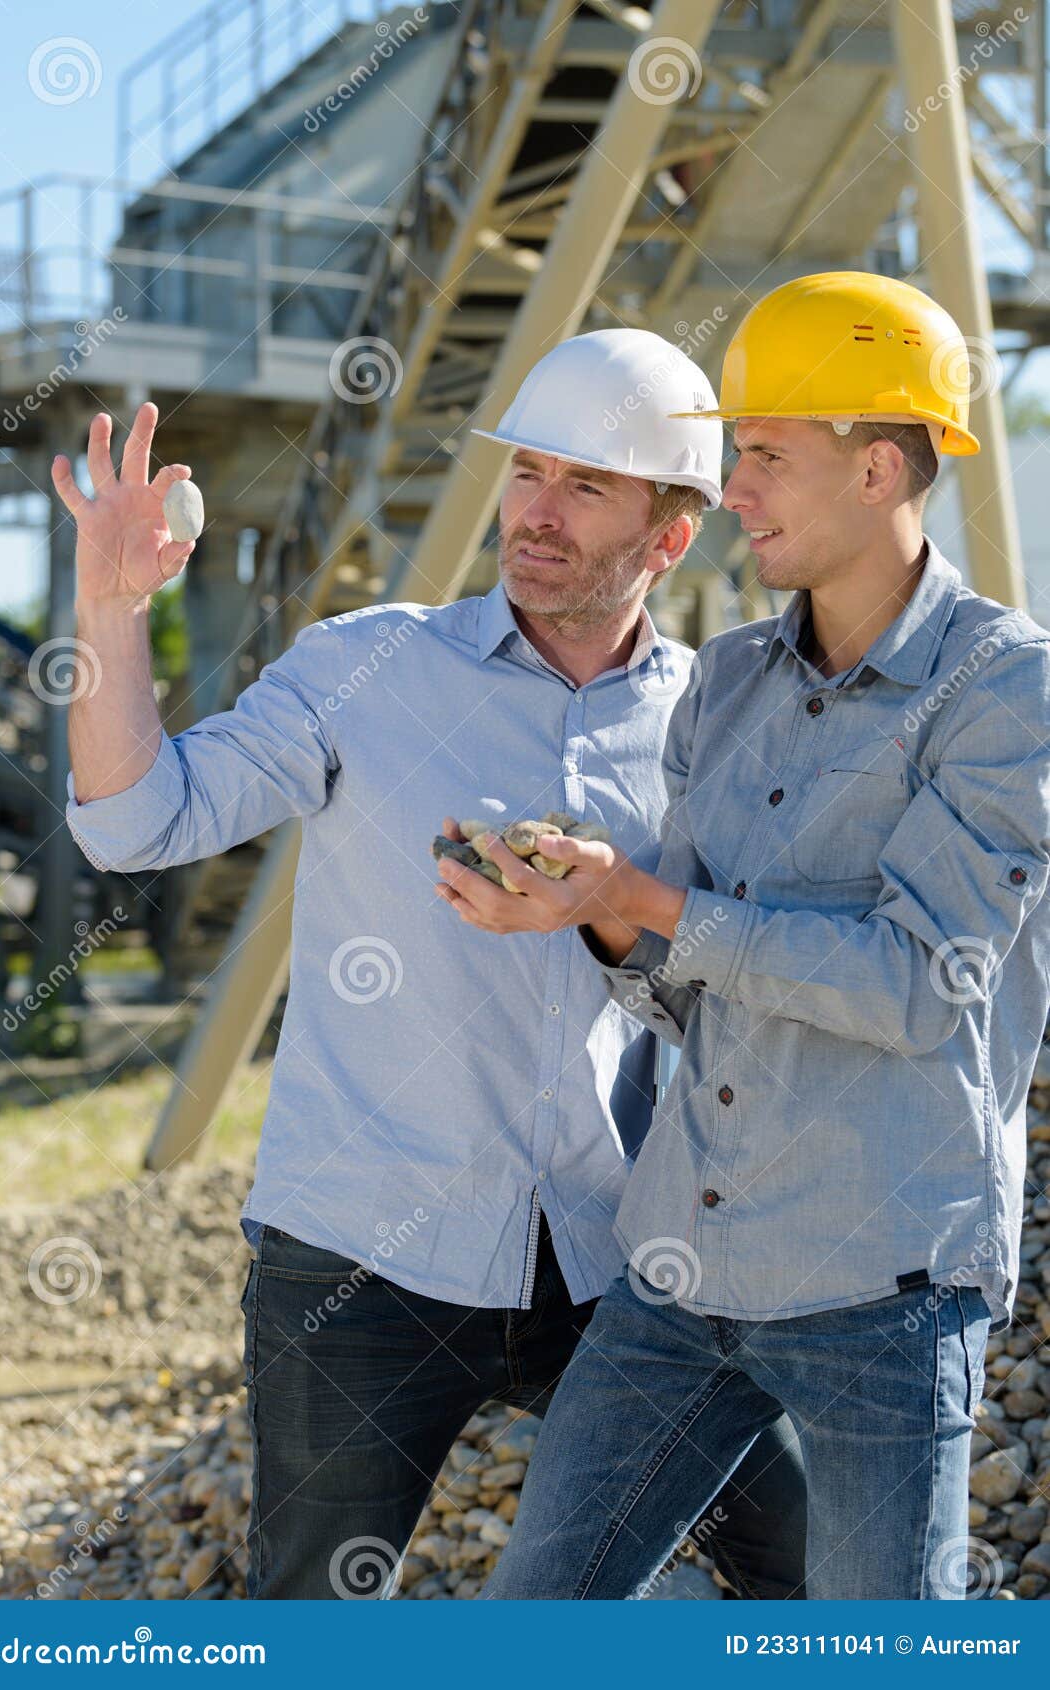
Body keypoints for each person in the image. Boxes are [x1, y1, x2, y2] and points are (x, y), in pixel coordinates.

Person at [54, 328, 807, 1600]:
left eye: (584, 486)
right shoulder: (369, 667)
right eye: (527, 475)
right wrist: (112, 607)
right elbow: (138, 819)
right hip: (362, 1263)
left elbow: (733, 992)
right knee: (316, 1617)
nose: (537, 513)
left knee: (808, 1560)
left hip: (619, 1252)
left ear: (669, 538)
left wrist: (613, 908)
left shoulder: (714, 720)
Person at [437, 273, 1050, 1601]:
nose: (733, 487)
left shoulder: (1004, 688)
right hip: (678, 1274)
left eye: (765, 454)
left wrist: (650, 901)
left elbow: (913, 984)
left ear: (881, 466)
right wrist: (588, 912)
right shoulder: (728, 680)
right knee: (532, 1621)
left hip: (880, 1294)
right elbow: (686, 989)